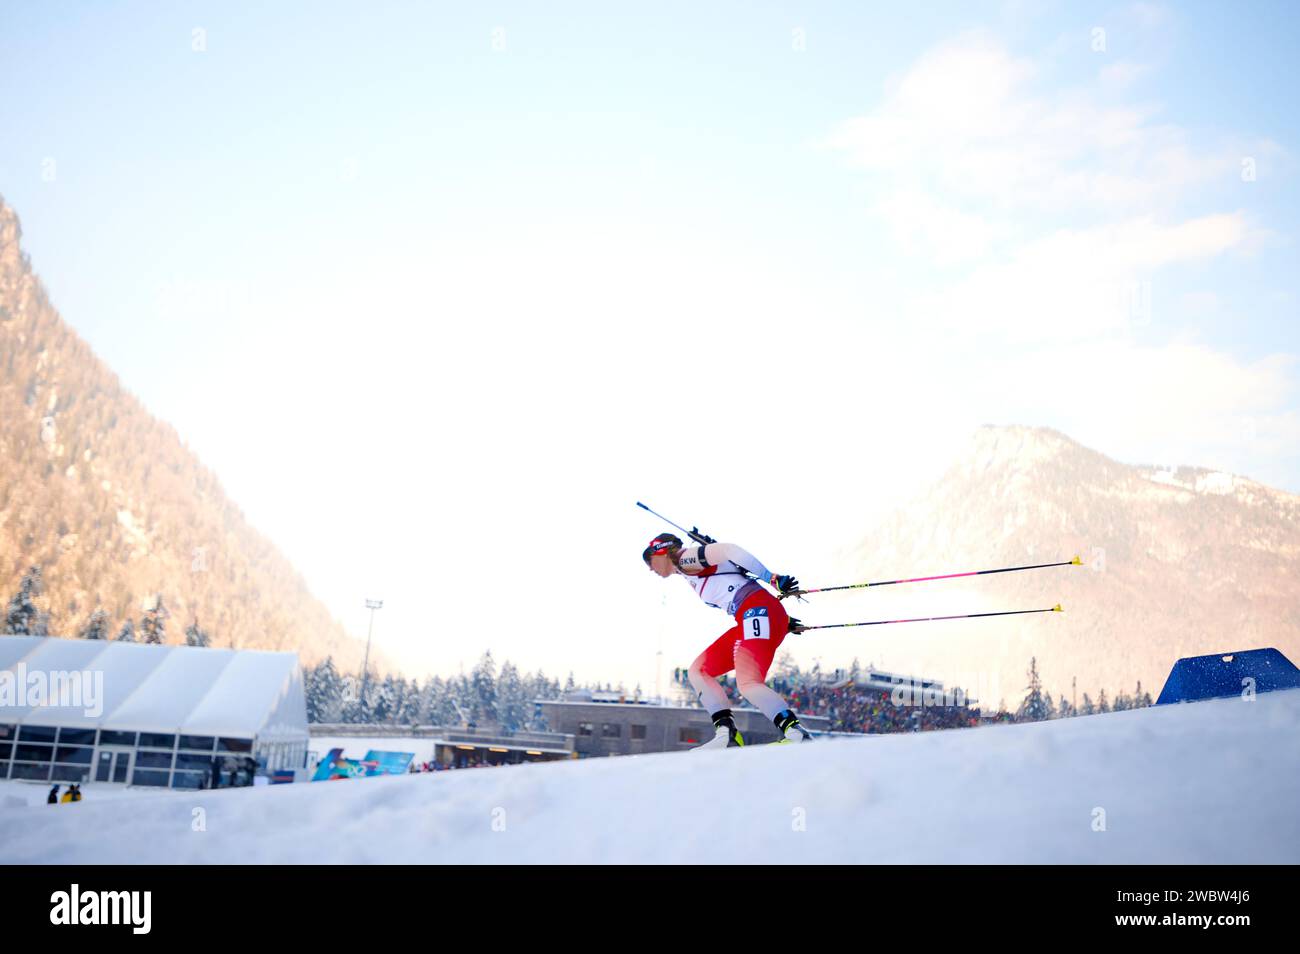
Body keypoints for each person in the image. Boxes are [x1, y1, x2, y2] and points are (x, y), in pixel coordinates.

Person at [643, 532, 814, 748]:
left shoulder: (684, 558)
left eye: (649, 560)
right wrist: (781, 621)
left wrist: (772, 578)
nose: (650, 568)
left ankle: (797, 733)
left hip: (757, 610)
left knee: (748, 682)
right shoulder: (687, 571)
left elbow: (729, 550)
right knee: (699, 671)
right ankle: (727, 735)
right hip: (755, 615)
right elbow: (730, 573)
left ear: (662, 551)